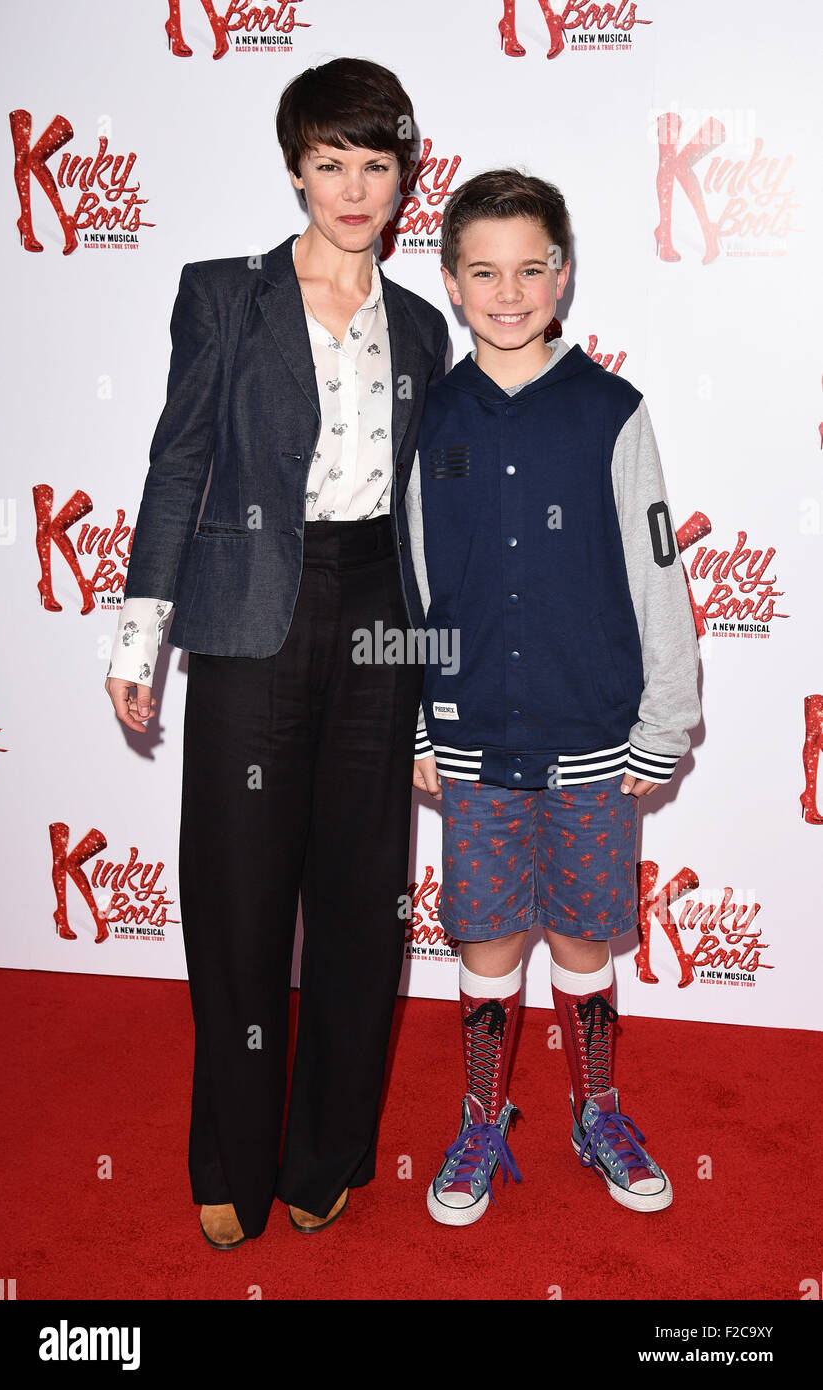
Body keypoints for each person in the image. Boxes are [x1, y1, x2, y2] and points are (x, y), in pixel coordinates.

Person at [105, 57, 448, 1247]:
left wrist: (427, 696)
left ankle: (330, 1147)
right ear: (295, 168)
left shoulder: (422, 326)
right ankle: (231, 1154)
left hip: (374, 610)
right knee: (239, 896)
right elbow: (176, 465)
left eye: (375, 163)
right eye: (328, 164)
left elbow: (420, 519)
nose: (353, 188)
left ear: (405, 175)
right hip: (253, 603)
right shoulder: (225, 295)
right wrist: (141, 634)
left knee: (361, 900)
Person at [410, 169, 701, 1226]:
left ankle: (596, 1108)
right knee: (486, 945)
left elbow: (660, 572)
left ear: (563, 273)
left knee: (584, 942)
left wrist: (665, 721)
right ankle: (483, 1118)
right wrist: (413, 720)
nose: (509, 289)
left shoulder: (614, 413)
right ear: (450, 281)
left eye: (531, 267)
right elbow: (412, 580)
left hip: (594, 737)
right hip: (474, 738)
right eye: (484, 270)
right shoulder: (431, 415)